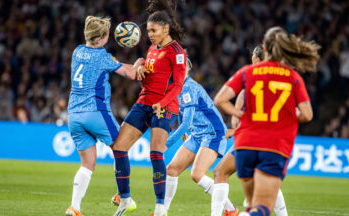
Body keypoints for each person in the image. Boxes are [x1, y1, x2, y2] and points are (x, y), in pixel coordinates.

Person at [214, 26, 319, 216]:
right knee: (262, 209)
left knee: (253, 206)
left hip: (245, 145)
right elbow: (307, 114)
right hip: (274, 146)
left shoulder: (248, 72)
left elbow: (220, 100)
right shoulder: (292, 77)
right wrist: (284, 114)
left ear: (264, 49)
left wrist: (240, 114)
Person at [111, 1, 186, 215]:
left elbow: (178, 85)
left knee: (155, 154)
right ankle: (125, 199)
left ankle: (160, 208)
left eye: (153, 31)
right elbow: (149, 64)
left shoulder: (177, 52)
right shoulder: (153, 48)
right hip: (144, 102)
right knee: (119, 147)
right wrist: (140, 62)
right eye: (148, 31)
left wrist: (161, 104)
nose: (150, 34)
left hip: (165, 108)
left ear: (166, 29)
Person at [65, 16, 145, 216]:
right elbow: (132, 75)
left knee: (87, 164)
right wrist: (138, 66)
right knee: (121, 147)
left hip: (74, 115)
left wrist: (131, 65)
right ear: (102, 38)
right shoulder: (102, 56)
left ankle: (74, 207)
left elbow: (116, 64)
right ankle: (123, 196)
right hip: (96, 112)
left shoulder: (77, 52)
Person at [212, 45, 288, 216]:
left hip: (250, 139)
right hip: (272, 140)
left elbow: (224, 105)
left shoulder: (248, 80)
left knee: (220, 172)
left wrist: (238, 119)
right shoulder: (279, 83)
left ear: (256, 59)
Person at [162, 58, 239, 216]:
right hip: (198, 133)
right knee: (171, 169)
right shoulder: (177, 87)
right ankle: (161, 213)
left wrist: (165, 144)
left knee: (196, 175)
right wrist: (185, 131)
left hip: (213, 133)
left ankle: (230, 209)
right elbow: (181, 111)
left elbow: (185, 122)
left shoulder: (189, 88)